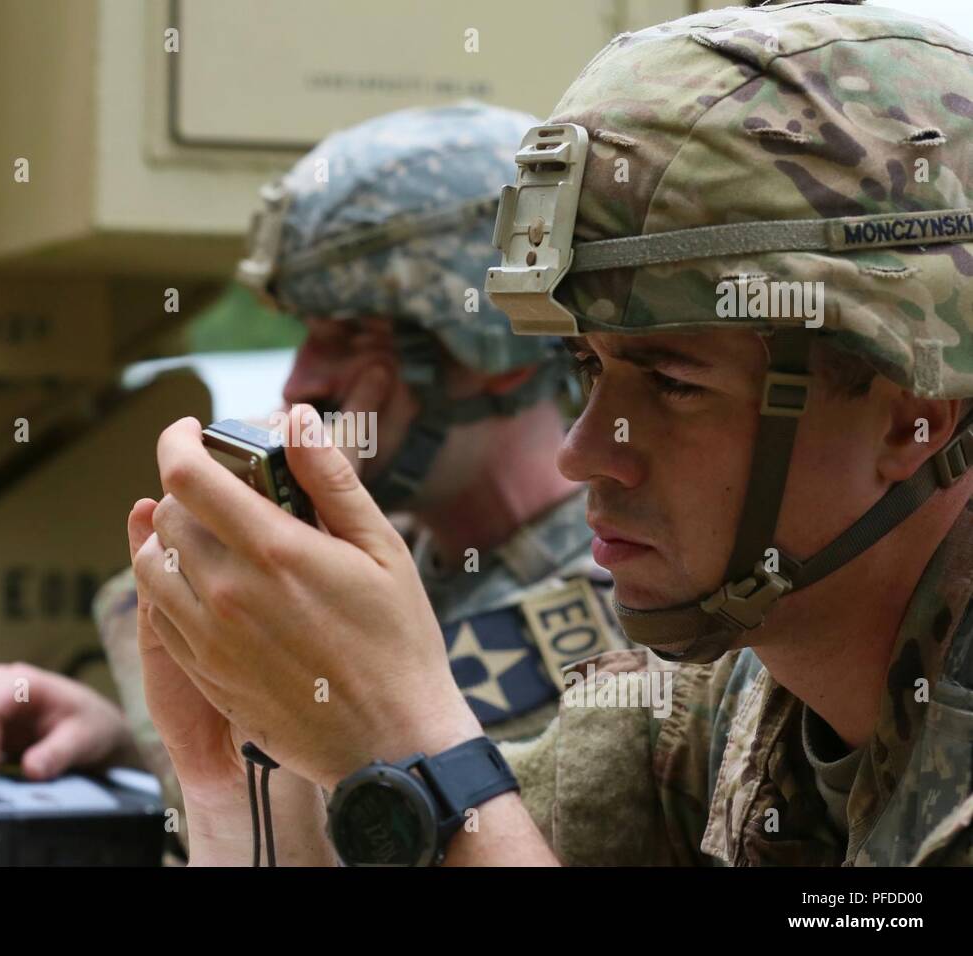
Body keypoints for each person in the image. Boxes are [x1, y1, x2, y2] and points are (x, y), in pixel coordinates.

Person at [129, 0, 973, 866]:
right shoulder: (714, 706)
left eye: (675, 384)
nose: (583, 451)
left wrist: (404, 735)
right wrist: (242, 775)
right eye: (588, 369)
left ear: (912, 415)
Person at [0, 103, 625, 852]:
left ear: (487, 358)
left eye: (347, 338)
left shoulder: (615, 622)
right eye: (306, 336)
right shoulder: (397, 562)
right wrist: (117, 740)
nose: (302, 377)